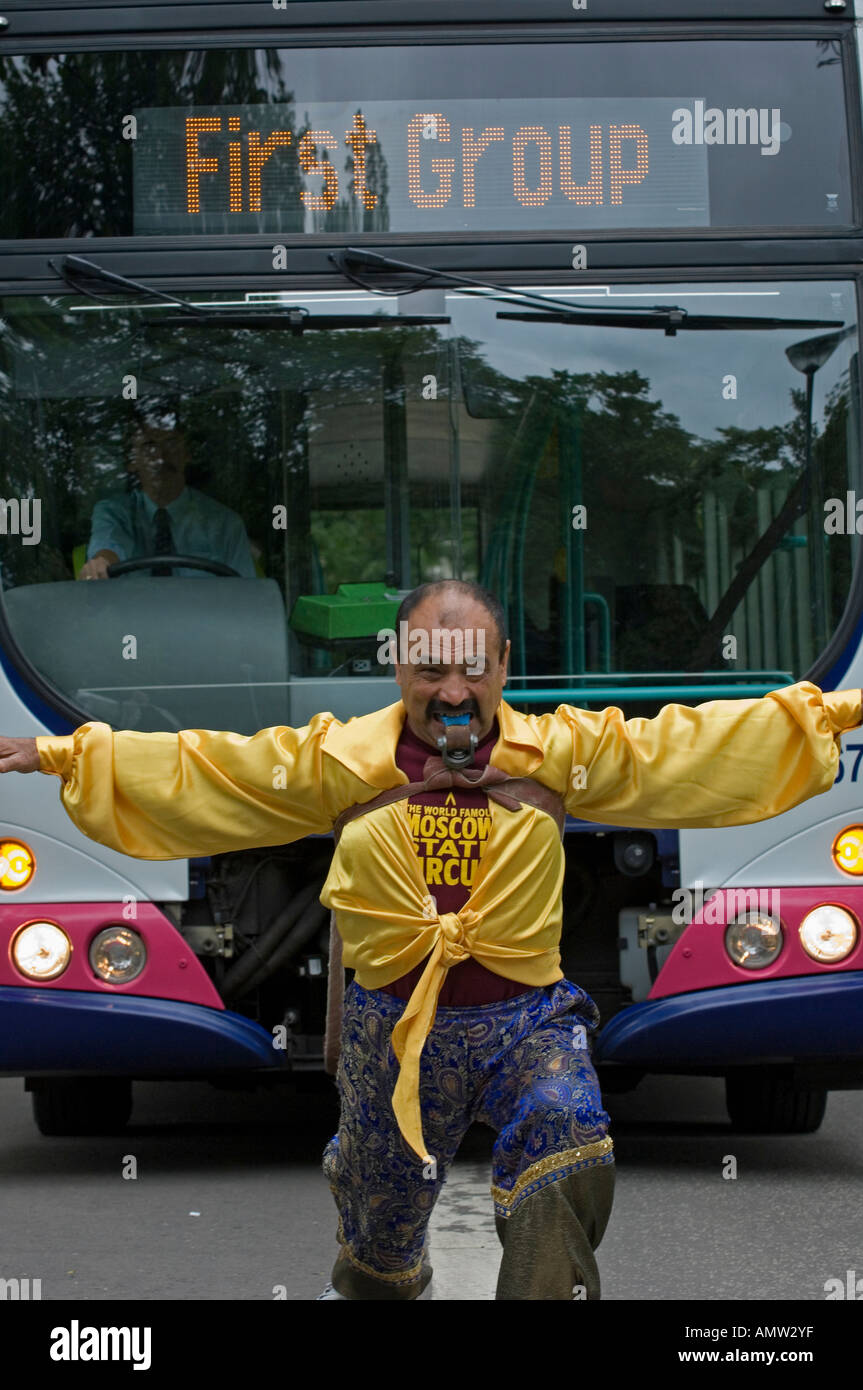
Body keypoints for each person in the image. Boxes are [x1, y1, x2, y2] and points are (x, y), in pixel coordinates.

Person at [0, 579, 860, 1301]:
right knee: (380, 1253)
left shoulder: (560, 752)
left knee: (567, 1145)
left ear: (503, 668)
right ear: (399, 668)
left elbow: (689, 745)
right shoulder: (341, 761)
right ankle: (377, 1253)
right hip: (391, 1037)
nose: (452, 692)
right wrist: (62, 757)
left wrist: (833, 713)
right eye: (429, 669)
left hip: (528, 1022)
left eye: (471, 669)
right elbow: (210, 766)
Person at [78, 411, 256, 580]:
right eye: (149, 446)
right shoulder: (114, 513)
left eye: (171, 443)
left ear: (187, 454)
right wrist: (101, 564)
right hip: (130, 612)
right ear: (131, 461)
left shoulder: (225, 524)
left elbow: (246, 596)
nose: (161, 457)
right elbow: (108, 545)